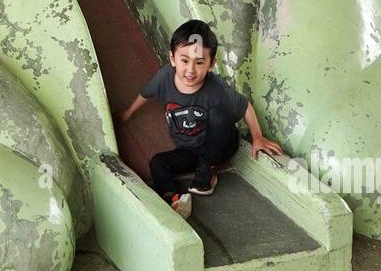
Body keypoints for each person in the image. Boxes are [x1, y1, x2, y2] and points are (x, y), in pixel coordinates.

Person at [112, 19, 284, 218]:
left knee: (219, 115)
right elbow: (145, 93)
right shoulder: (164, 78)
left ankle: (207, 172)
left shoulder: (215, 88)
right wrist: (127, 113)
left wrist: (257, 137)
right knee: (158, 162)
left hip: (220, 144)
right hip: (189, 150)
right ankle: (174, 199)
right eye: (184, 60)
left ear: (211, 64)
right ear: (173, 58)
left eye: (200, 62)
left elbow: (245, 105)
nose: (191, 70)